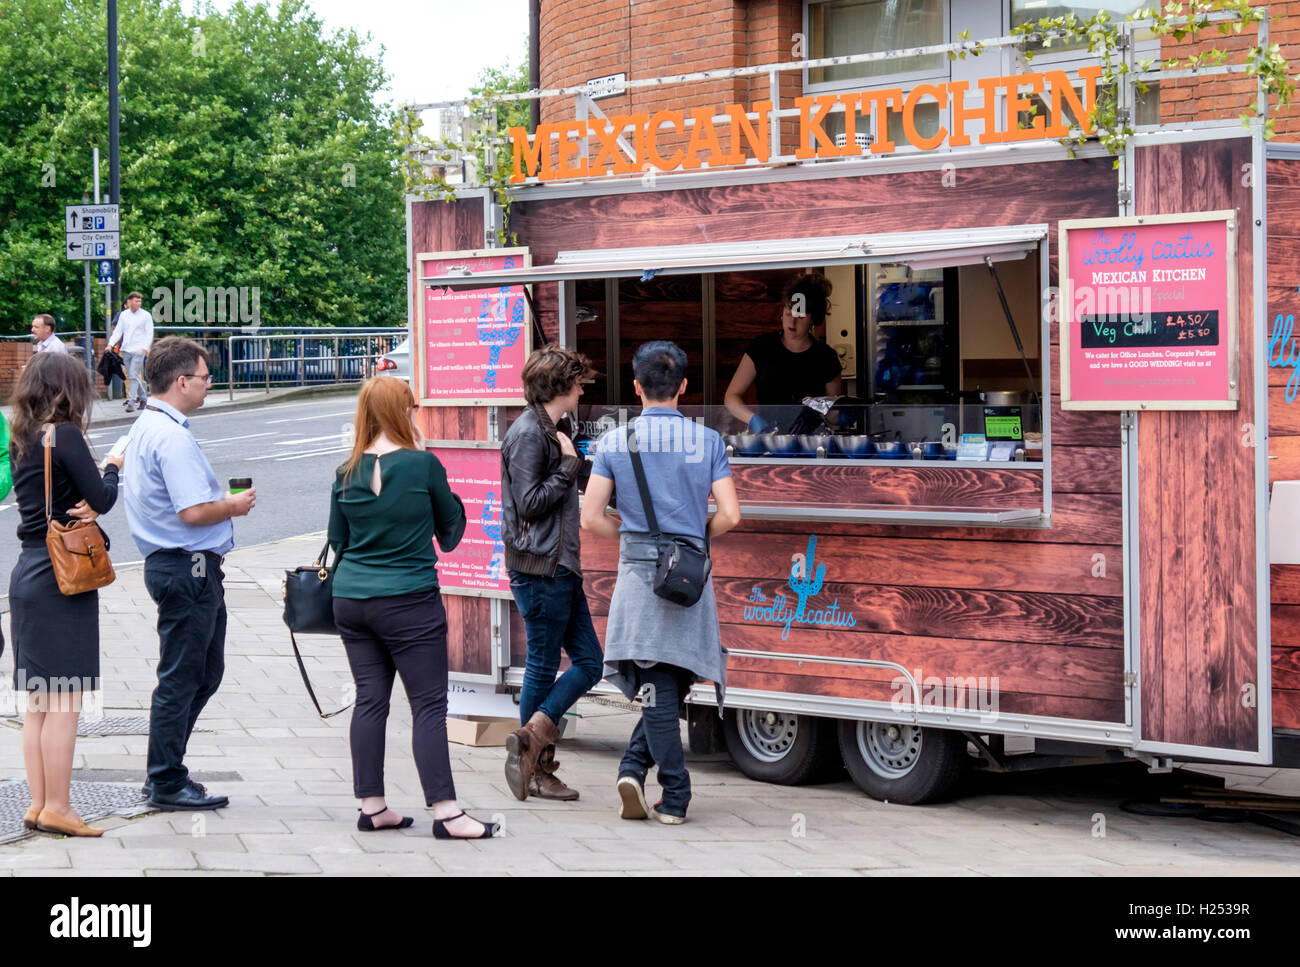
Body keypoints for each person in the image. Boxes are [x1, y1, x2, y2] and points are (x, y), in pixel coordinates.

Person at [328, 376, 497, 839]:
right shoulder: (424, 465)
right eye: (411, 407)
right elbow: (451, 534)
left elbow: (337, 543)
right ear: (403, 412)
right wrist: (453, 501)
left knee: (369, 701)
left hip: (351, 600)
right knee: (428, 707)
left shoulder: (346, 471)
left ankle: (373, 805)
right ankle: (446, 812)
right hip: (408, 601)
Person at [581, 341, 741, 824]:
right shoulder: (708, 441)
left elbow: (591, 518)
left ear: (636, 387)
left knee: (657, 681)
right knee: (669, 679)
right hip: (690, 576)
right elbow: (731, 515)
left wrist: (633, 537)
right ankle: (651, 780)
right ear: (684, 387)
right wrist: (691, 540)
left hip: (637, 575)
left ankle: (666, 789)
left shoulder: (614, 442)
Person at [123, 337, 254, 810]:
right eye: (203, 377)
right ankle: (163, 778)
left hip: (180, 566)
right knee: (184, 675)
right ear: (181, 382)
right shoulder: (171, 436)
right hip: (188, 567)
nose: (208, 384)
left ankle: (167, 768)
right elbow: (193, 512)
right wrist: (234, 506)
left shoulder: (147, 424)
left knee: (203, 672)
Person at [7, 354, 123, 837]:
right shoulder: (66, 436)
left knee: (37, 700)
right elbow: (100, 500)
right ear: (68, 390)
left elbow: (55, 499)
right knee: (67, 698)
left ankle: (38, 804)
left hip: (27, 572)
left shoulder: (22, 438)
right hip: (63, 579)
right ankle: (59, 806)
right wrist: (113, 467)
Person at [500, 345, 603, 802]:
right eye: (578, 382)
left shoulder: (550, 428)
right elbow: (529, 503)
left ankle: (530, 740)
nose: (582, 389)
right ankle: (536, 768)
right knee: (543, 667)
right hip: (540, 567)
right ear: (561, 386)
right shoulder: (529, 433)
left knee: (590, 663)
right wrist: (568, 466)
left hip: (558, 565)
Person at [723, 272, 842, 433]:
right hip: (770, 439)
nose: (792, 322)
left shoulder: (826, 357)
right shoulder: (761, 348)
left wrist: (843, 415)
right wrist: (753, 419)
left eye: (800, 317)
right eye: (788, 313)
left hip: (810, 444)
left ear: (813, 319)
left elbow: (832, 415)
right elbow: (731, 397)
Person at [107, 291, 155, 412]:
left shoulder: (146, 315)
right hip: (126, 349)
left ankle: (132, 402)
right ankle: (144, 398)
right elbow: (118, 331)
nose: (138, 303)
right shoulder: (123, 315)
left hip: (139, 349)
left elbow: (149, 332)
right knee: (131, 375)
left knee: (133, 374)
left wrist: (146, 346)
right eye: (136, 300)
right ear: (129, 302)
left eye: (140, 301)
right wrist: (110, 344)